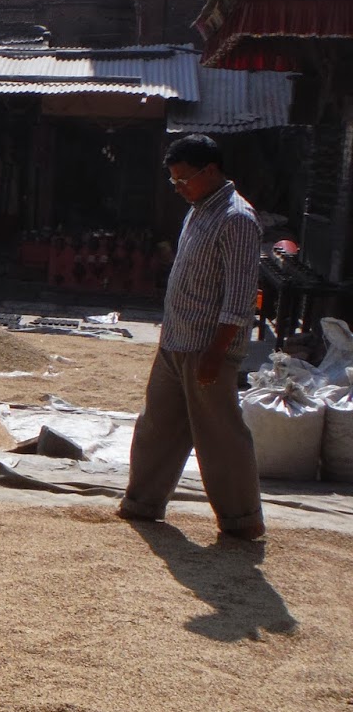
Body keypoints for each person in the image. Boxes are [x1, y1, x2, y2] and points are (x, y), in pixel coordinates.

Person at [118, 134, 265, 542]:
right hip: (176, 340)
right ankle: (143, 503)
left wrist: (216, 353)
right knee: (157, 426)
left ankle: (242, 519)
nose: (179, 187)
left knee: (219, 435)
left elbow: (239, 297)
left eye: (184, 179)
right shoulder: (198, 210)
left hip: (207, 346)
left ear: (210, 171)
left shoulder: (237, 219)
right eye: (173, 181)